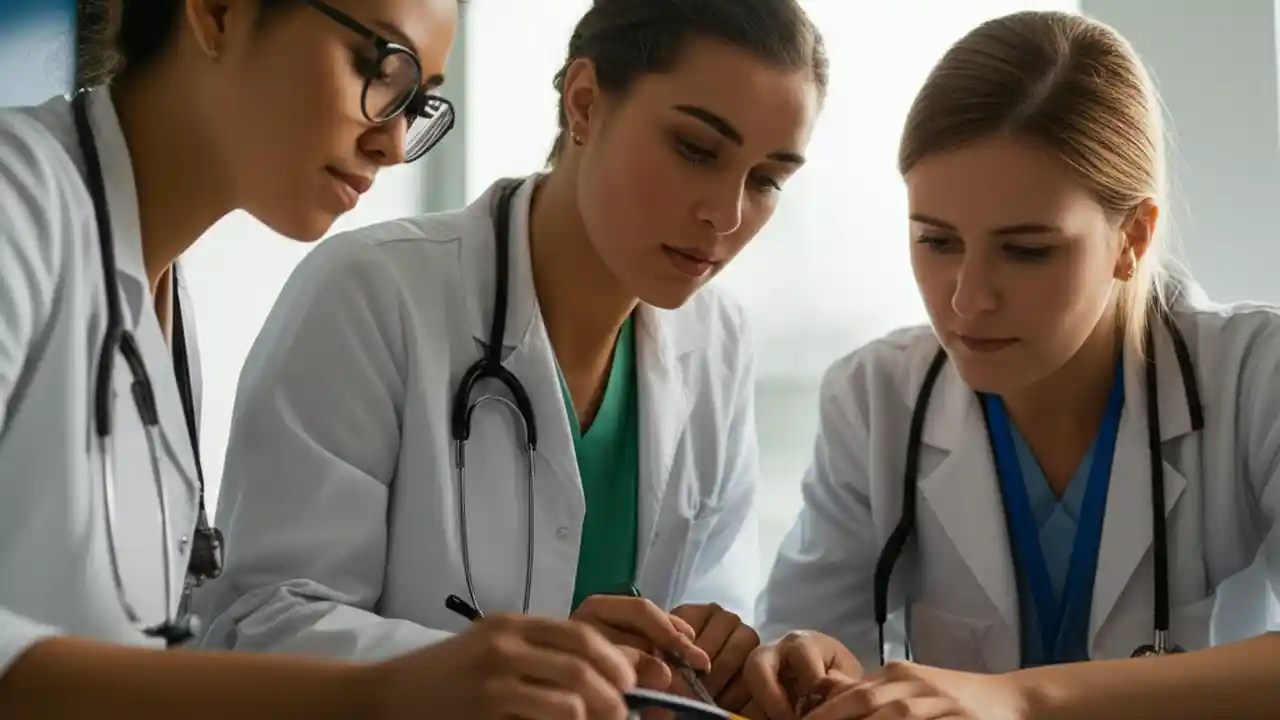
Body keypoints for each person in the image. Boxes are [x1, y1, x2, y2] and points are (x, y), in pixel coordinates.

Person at [0, 1, 646, 717]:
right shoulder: (18, 202)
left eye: (420, 102)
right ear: (218, 12)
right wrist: (376, 693)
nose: (395, 144)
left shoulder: (159, 303)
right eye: (380, 69)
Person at [192, 0, 827, 712]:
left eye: (767, 179)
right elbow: (260, 629)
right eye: (695, 149)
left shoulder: (719, 343)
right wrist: (522, 669)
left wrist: (728, 662)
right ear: (584, 103)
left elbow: (710, 616)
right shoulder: (375, 293)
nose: (727, 215)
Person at [744, 10, 1280, 720]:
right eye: (937, 242)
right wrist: (809, 662)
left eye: (1026, 251)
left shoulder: (1256, 377)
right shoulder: (876, 397)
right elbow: (805, 636)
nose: (968, 300)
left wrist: (1020, 698)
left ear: (1132, 237)